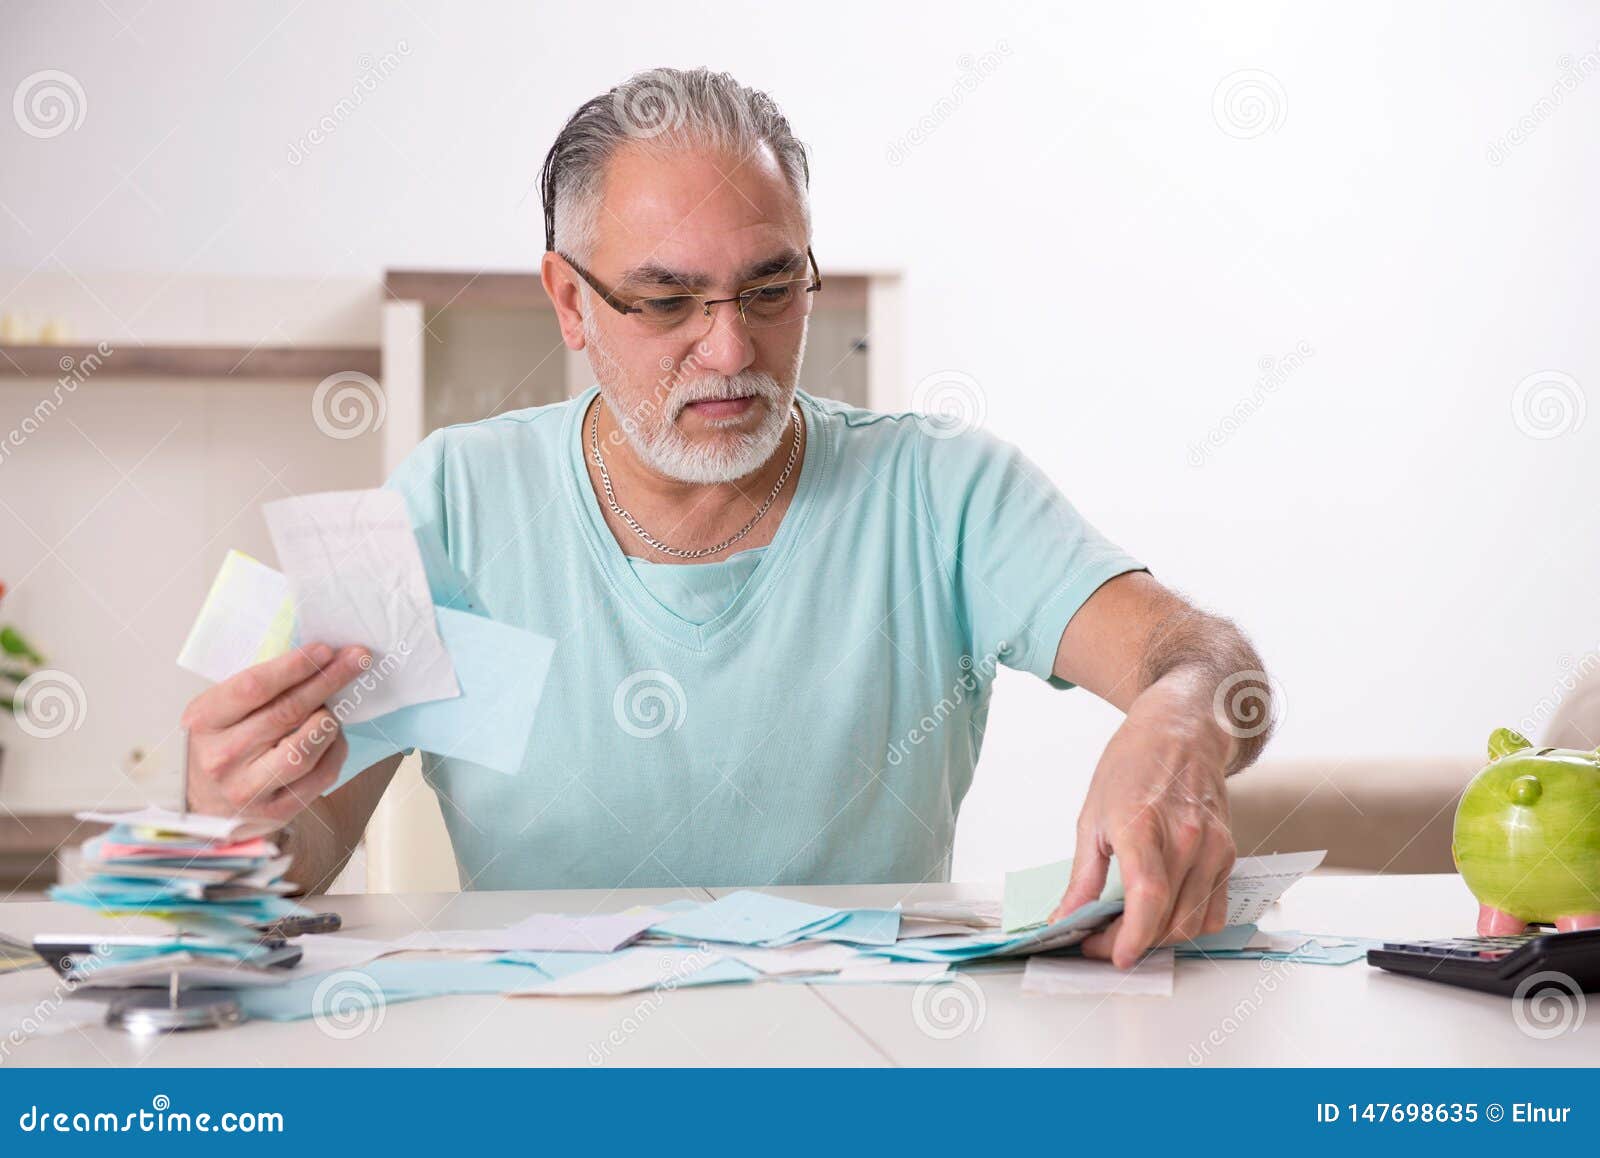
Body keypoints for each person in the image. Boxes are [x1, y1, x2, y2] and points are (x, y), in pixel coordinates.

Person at [180, 68, 1273, 968]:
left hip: (865, 1063)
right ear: (569, 301)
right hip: (550, 1067)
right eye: (665, 301)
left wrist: (1177, 718)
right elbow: (296, 856)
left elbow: (1215, 669)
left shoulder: (941, 490)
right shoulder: (455, 503)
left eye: (770, 288)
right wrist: (230, 811)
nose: (731, 351)